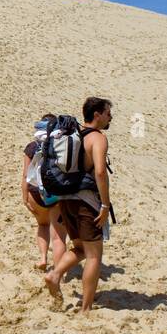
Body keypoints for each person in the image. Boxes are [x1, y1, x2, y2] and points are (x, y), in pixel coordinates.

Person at [44, 98, 114, 313]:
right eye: (108, 113)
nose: (111, 117)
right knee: (94, 256)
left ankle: (54, 274)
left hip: (66, 200)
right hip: (87, 201)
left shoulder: (72, 135)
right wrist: (104, 205)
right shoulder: (97, 138)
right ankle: (86, 308)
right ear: (97, 114)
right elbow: (100, 172)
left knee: (80, 248)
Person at [22, 116, 67, 271]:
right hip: (56, 193)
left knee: (42, 224)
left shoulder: (32, 146)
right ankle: (58, 271)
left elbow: (25, 175)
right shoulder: (61, 144)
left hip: (36, 192)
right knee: (58, 236)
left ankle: (42, 258)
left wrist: (25, 197)